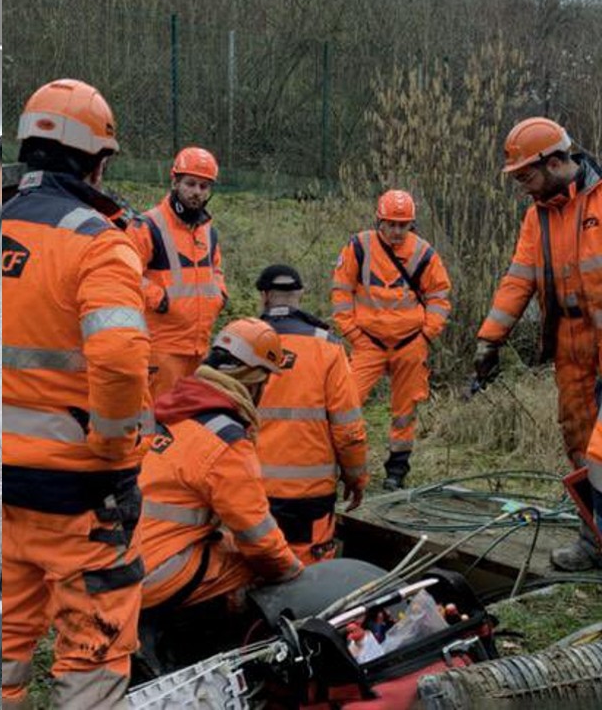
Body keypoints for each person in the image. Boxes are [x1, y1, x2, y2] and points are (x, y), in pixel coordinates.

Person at [2, 78, 151, 709]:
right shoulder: (99, 243)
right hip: (78, 496)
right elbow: (118, 359)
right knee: (93, 644)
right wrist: (114, 452)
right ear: (100, 159)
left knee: (4, 637)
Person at [136, 319, 302, 671]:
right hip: (154, 576)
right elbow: (259, 539)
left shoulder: (171, 407)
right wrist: (293, 573)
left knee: (224, 542)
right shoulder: (225, 439)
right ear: (255, 379)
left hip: (113, 561)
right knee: (250, 563)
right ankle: (215, 653)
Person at [475, 117, 602, 571]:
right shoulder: (538, 216)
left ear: (555, 162)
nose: (523, 187)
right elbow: (518, 279)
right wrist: (489, 340)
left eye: (527, 176)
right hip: (571, 345)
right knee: (581, 443)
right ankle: (594, 541)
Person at [331, 189, 452, 491]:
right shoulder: (359, 247)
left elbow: (439, 296)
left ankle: (396, 471)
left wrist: (426, 333)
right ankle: (336, 463)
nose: (397, 231)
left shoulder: (424, 253)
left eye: (404, 225)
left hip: (410, 342)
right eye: (391, 224)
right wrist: (353, 333)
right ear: (379, 221)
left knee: (405, 410)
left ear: (412, 224)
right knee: (345, 403)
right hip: (367, 343)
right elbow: (341, 290)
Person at [255, 265, 368, 565]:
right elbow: (348, 430)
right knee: (308, 581)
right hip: (308, 495)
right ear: (300, 295)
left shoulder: (236, 343)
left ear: (264, 296)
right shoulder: (327, 347)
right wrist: (356, 477)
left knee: (249, 568)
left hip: (245, 489)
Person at [126, 146, 228, 397]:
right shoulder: (148, 226)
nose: (197, 192)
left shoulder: (207, 230)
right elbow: (123, 272)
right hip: (161, 347)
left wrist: (219, 295)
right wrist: (157, 298)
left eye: (204, 187)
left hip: (199, 347)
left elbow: (215, 269)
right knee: (158, 422)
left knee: (189, 424)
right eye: (190, 184)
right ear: (175, 182)